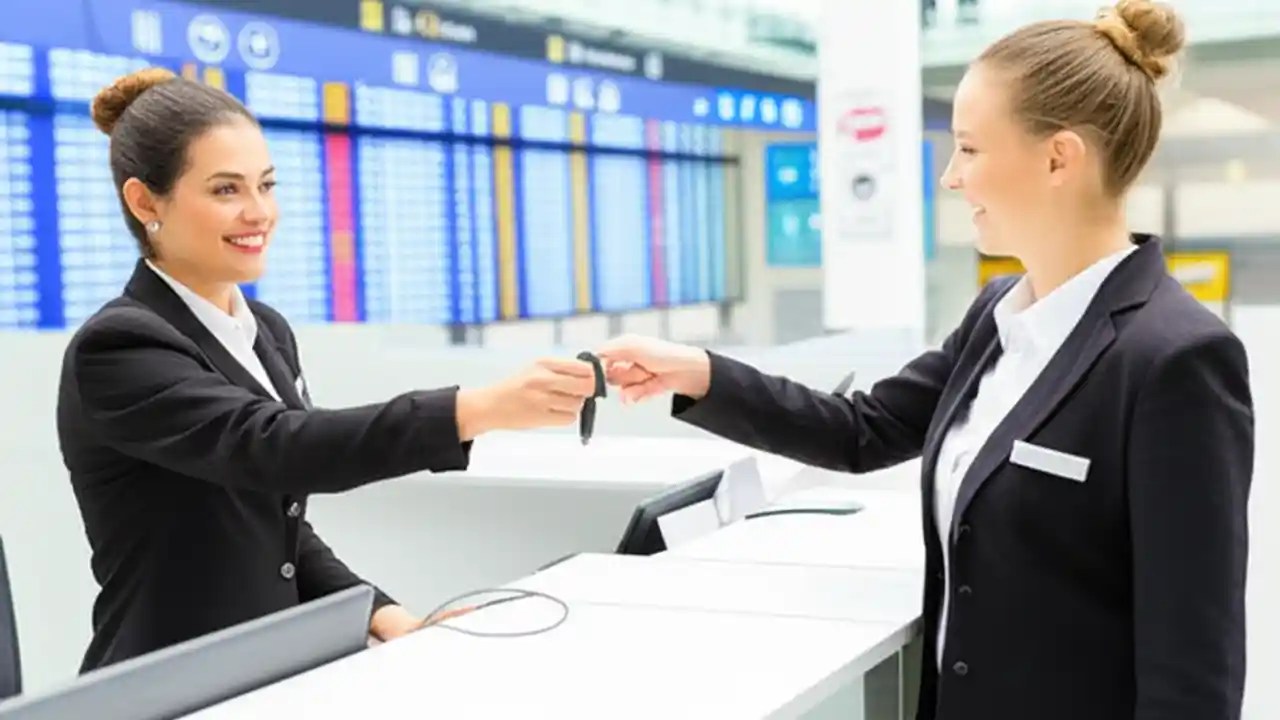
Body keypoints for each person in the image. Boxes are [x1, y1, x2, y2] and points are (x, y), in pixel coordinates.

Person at [598, 2, 1253, 719]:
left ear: (1058, 157)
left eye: (969, 149)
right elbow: (864, 430)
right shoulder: (998, 316)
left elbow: (1193, 663)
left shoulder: (1176, 359)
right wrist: (699, 373)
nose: (950, 177)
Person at [56, 67, 598, 672]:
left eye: (266, 185)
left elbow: (279, 525)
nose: (259, 212)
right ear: (144, 201)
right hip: (163, 685)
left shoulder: (265, 333)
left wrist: (388, 618)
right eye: (226, 190)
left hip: (265, 679)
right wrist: (479, 408)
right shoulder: (119, 348)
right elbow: (277, 449)